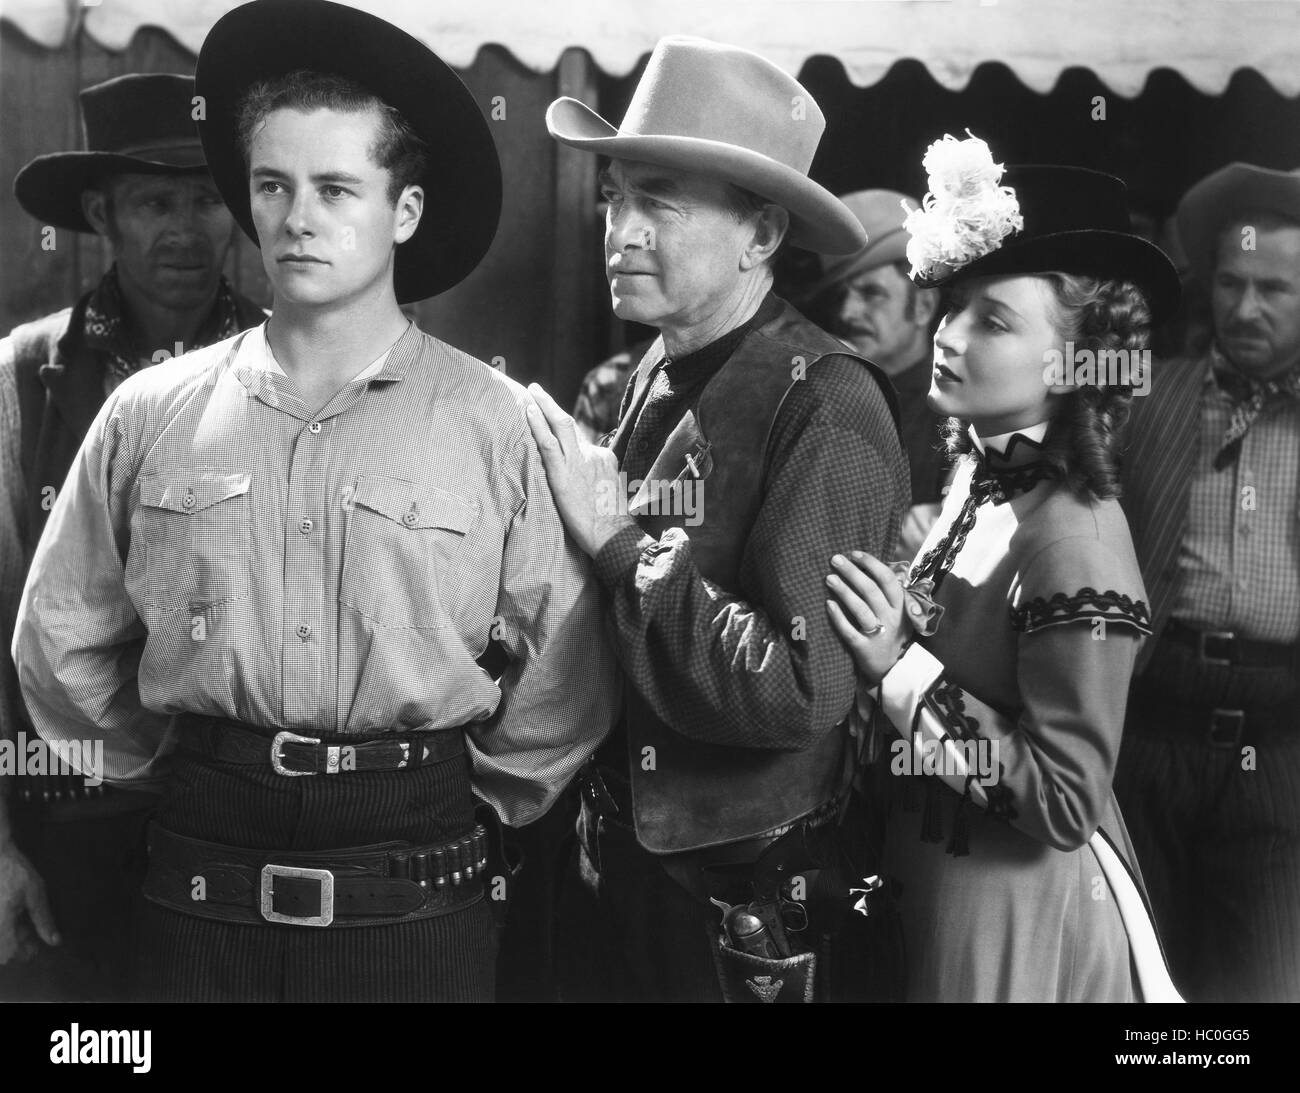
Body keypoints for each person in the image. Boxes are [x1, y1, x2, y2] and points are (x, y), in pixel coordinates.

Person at [12, 0, 616, 1003]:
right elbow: (59, 639)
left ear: (404, 211)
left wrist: (447, 792)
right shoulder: (149, 414)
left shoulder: (495, 421)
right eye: (272, 186)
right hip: (201, 881)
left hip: (417, 892)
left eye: (336, 188)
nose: (298, 218)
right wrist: (187, 763)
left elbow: (565, 674)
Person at [525, 35, 909, 1003]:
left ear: (762, 234)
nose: (621, 231)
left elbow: (797, 691)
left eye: (659, 202)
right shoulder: (658, 363)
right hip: (618, 867)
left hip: (741, 906)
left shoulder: (827, 399)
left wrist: (619, 544)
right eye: (614, 196)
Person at [825, 134, 1183, 1001]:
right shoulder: (980, 476)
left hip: (1008, 915)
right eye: (954, 307)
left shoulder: (1074, 538)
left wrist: (898, 666)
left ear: (1073, 360)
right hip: (929, 885)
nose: (948, 335)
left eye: (994, 321)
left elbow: (1066, 798)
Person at [0, 72, 265, 1001]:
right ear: (100, 215)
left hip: (241, 825)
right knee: (94, 1050)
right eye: (156, 203)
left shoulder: (290, 365)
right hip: (62, 818)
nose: (186, 230)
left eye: (208, 201)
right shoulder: (23, 379)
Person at [1115, 162, 1300, 1003]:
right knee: (1139, 971)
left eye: (1275, 288)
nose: (1246, 307)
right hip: (1151, 724)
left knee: (1267, 975)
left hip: (1281, 740)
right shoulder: (1148, 395)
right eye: (1231, 282)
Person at [794, 190, 945, 557]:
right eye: (842, 295)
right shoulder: (821, 391)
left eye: (871, 293)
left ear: (923, 306)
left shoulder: (956, 414)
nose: (847, 313)